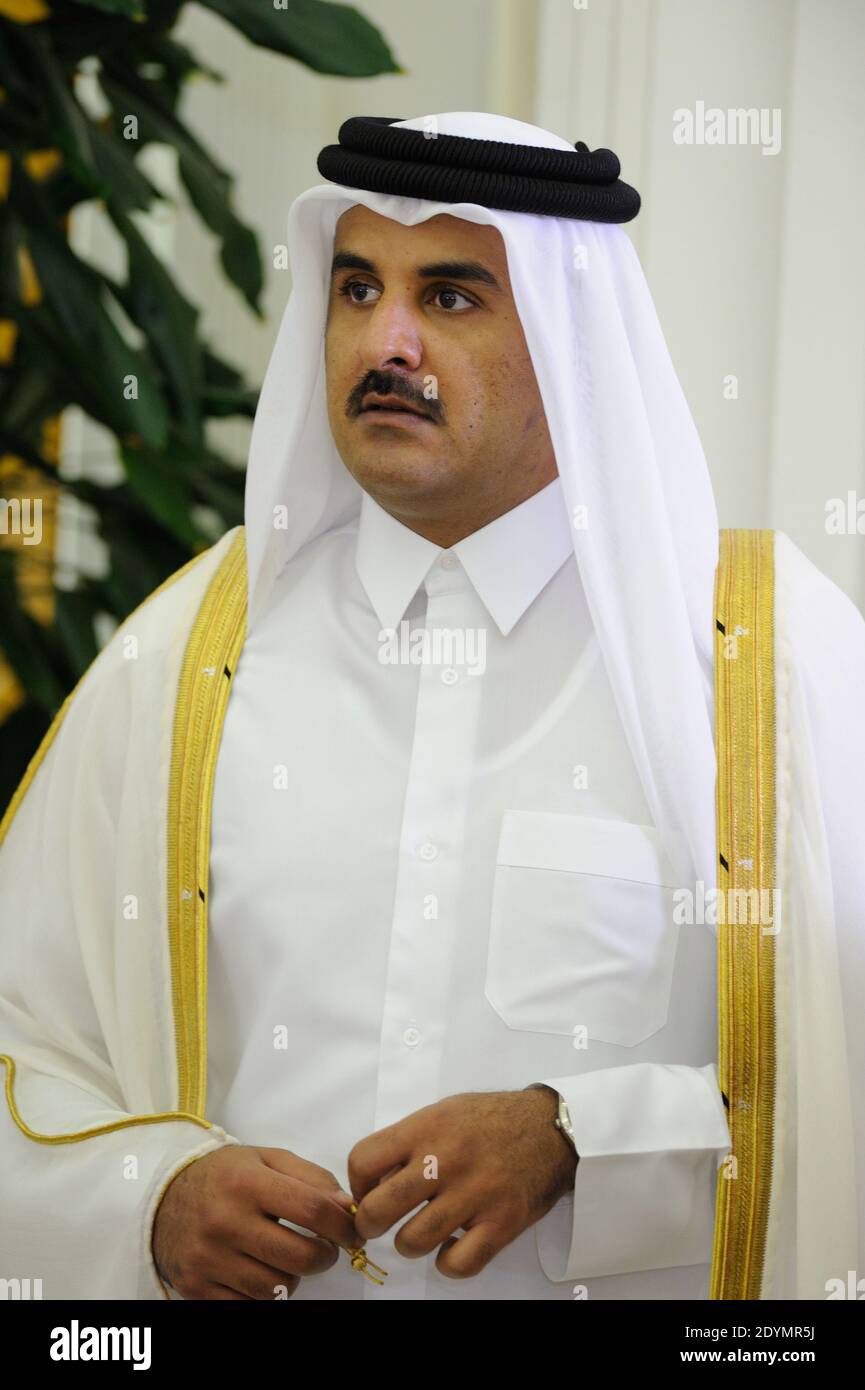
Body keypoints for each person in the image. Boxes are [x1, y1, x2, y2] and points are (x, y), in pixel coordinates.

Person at [0, 112, 861, 1302]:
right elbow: (24, 1028)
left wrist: (582, 1138)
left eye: (450, 298)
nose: (383, 340)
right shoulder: (190, 655)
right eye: (357, 288)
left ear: (572, 342)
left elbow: (842, 1055)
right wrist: (149, 1193)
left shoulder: (764, 659)